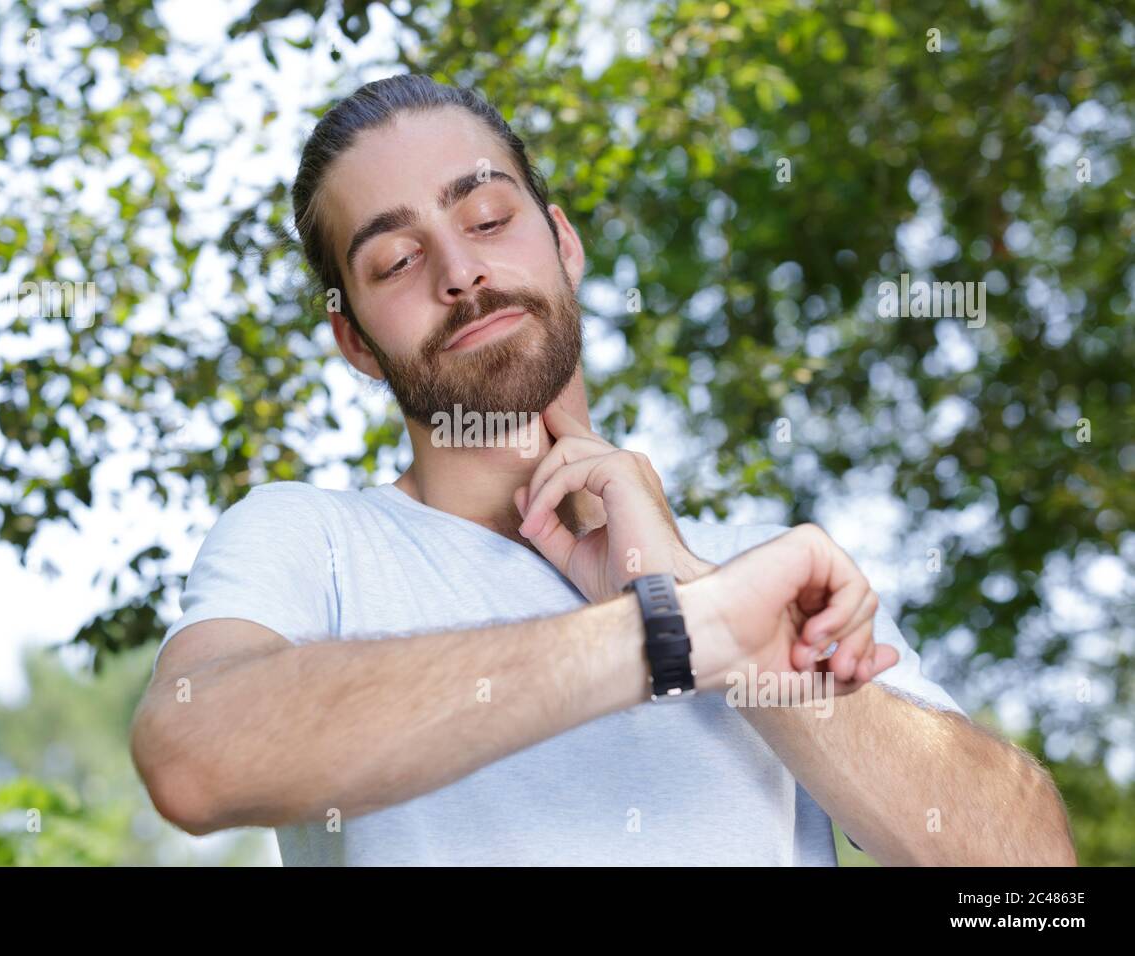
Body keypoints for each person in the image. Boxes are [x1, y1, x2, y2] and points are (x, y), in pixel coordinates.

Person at [131, 74, 1075, 867]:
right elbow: (192, 753)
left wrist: (725, 627)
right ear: (356, 342)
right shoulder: (311, 538)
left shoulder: (750, 569)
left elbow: (1031, 880)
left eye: (489, 217)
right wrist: (669, 633)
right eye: (397, 259)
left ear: (564, 241)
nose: (460, 271)